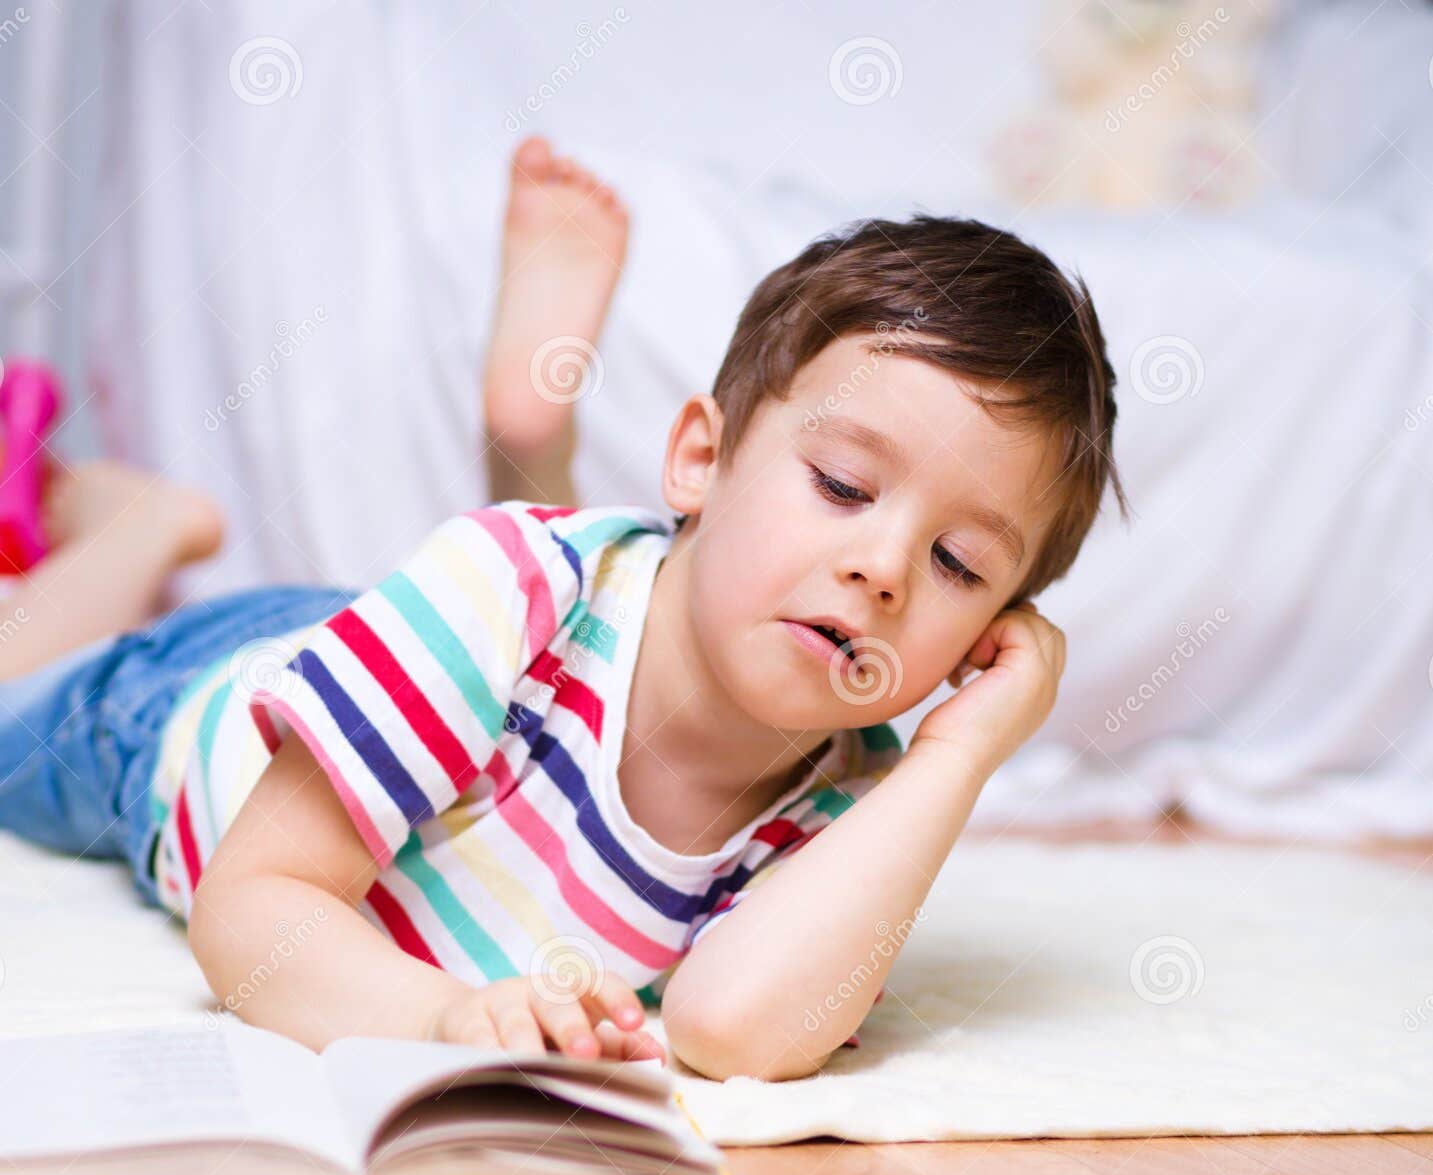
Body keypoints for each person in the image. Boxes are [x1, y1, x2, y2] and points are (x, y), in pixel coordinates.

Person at [0, 137, 1126, 1080]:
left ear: (987, 633)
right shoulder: (511, 587)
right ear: (699, 454)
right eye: (839, 486)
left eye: (958, 563)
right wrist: (444, 1020)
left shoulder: (860, 800)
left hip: (460, 676)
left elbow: (730, 1030)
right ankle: (139, 526)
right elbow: (250, 913)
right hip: (186, 708)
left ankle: (532, 440)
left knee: (574, 617)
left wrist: (962, 750)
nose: (883, 569)